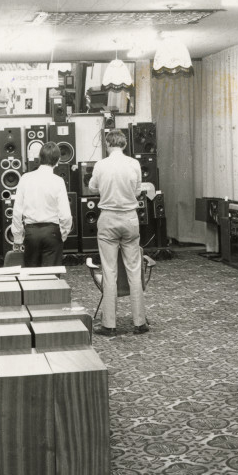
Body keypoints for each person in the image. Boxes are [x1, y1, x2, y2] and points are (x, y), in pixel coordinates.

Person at [88, 128, 147, 335]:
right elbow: (138, 191)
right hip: (130, 218)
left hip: (108, 219)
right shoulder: (134, 163)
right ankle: (140, 323)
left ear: (107, 145)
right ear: (123, 144)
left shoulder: (101, 165)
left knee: (109, 271)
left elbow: (92, 188)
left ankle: (109, 325)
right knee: (134, 270)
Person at [11, 141, 72, 267]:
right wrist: (64, 232)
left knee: (32, 278)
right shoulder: (58, 181)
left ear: (40, 158)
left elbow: (17, 211)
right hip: (52, 233)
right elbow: (66, 215)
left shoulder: (25, 178)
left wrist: (17, 236)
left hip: (31, 233)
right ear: (58, 160)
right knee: (51, 277)